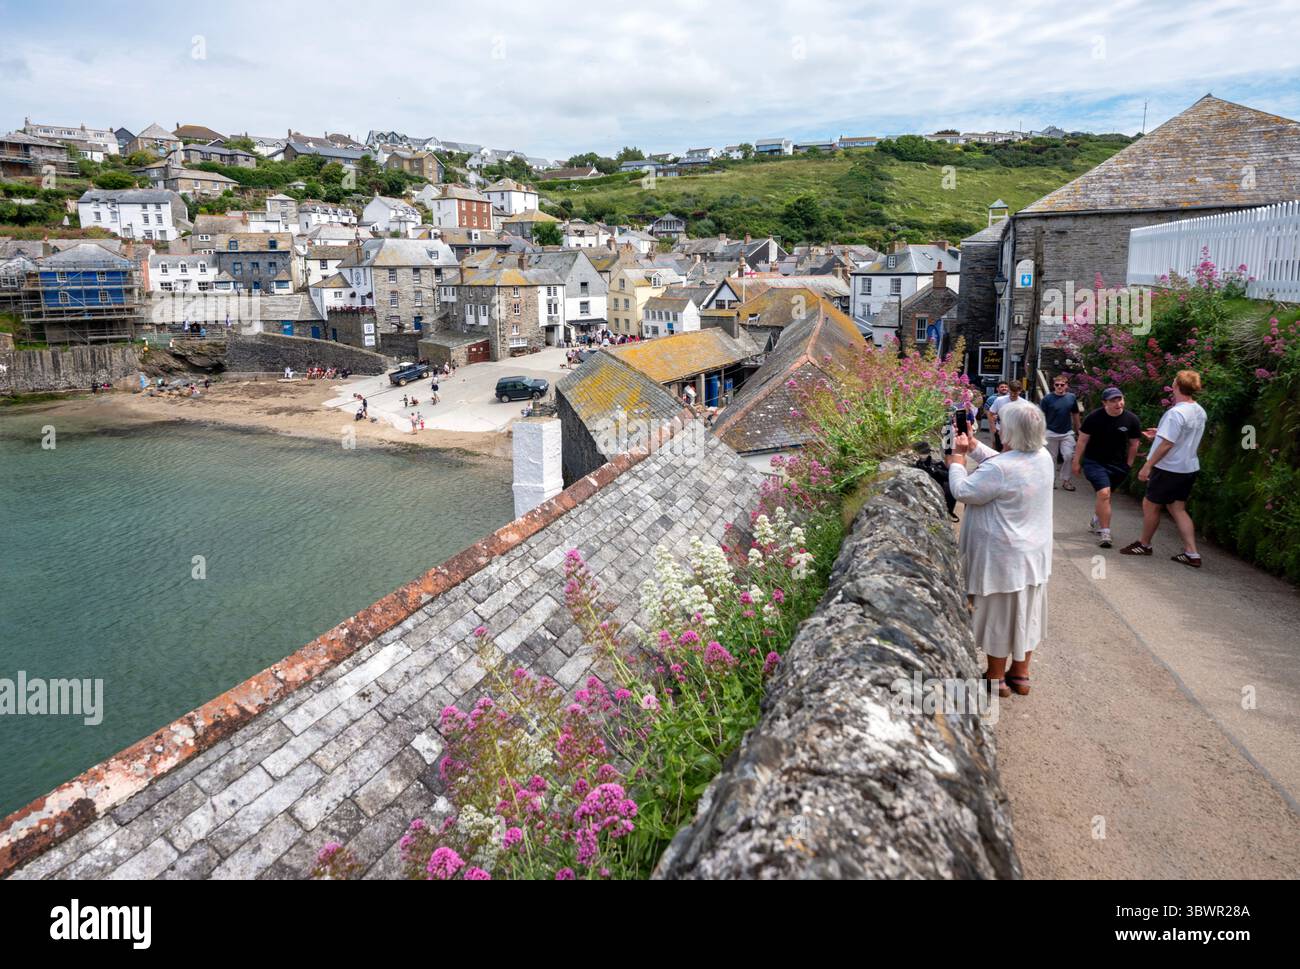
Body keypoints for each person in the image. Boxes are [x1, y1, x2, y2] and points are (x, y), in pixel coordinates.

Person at [946, 399, 1054, 698]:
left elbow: (964, 491)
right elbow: (1002, 462)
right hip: (1034, 555)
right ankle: (1020, 675)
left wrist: (957, 460)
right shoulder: (1042, 456)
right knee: (1027, 615)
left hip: (1002, 559)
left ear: (1011, 433)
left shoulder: (1001, 470)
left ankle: (996, 679)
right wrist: (974, 448)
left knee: (999, 617)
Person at [1120, 370, 1208, 567]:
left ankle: (1144, 544)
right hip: (1188, 467)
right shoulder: (1199, 410)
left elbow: (1167, 444)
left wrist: (1147, 466)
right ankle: (1192, 553)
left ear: (1176, 386)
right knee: (1178, 508)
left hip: (1169, 468)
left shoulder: (1175, 413)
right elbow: (1182, 435)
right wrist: (1160, 433)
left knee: (1150, 505)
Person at [1073, 387, 1141, 549]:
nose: (1118, 403)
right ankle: (1105, 533)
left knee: (1105, 497)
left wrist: (1129, 464)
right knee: (1104, 493)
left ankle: (1098, 518)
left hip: (1118, 465)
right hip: (1094, 462)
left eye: (1120, 399)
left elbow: (1134, 443)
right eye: (1113, 400)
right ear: (1105, 403)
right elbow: (1082, 440)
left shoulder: (1131, 419)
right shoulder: (1093, 418)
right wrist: (1076, 462)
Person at [1040, 374, 1081, 490]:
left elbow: (1075, 414)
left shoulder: (1071, 397)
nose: (1059, 387)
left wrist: (1079, 430)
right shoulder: (1047, 399)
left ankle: (1066, 480)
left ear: (1066, 385)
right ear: (1054, 386)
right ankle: (1051, 480)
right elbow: (1041, 416)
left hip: (1066, 432)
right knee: (1051, 458)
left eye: (1062, 385)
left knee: (1068, 456)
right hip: (1050, 432)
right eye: (1057, 385)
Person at [988, 380, 1022, 451]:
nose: (1012, 395)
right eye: (1011, 392)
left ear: (1020, 391)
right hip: (1000, 431)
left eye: (1015, 393)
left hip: (1015, 433)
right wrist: (993, 428)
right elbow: (990, 413)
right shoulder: (999, 400)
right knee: (998, 453)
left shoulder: (1024, 403)